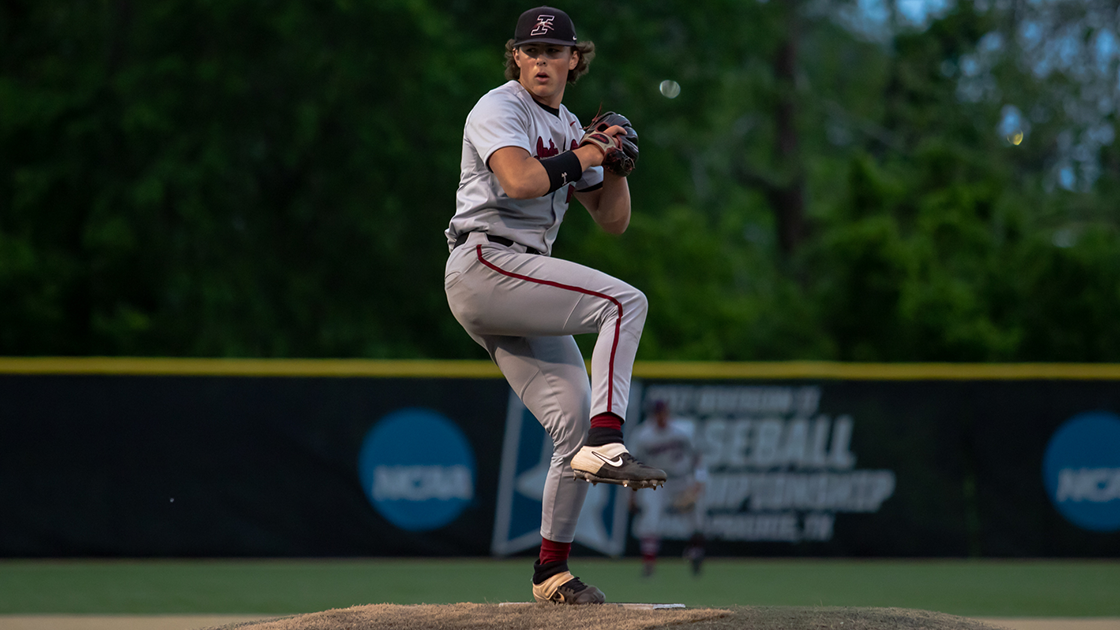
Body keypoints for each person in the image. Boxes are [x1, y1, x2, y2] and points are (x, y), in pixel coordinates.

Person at [443, 6, 666, 605]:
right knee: (623, 302)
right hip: (485, 261)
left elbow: (613, 222)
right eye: (531, 51)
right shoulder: (499, 106)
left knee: (571, 424)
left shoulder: (570, 128)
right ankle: (611, 435)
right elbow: (520, 181)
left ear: (574, 60)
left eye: (554, 51)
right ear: (516, 57)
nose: (542, 61)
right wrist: (590, 154)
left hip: (519, 280)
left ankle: (551, 573)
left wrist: (616, 167)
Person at [630, 400, 707, 577]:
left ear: (668, 412)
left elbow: (698, 458)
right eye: (657, 414)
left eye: (663, 413)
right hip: (656, 481)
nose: (661, 417)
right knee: (650, 520)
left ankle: (695, 554)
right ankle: (649, 564)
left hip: (682, 478)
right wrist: (632, 494)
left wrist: (699, 481)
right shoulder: (643, 435)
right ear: (652, 416)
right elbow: (634, 466)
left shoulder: (684, 429)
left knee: (696, 518)